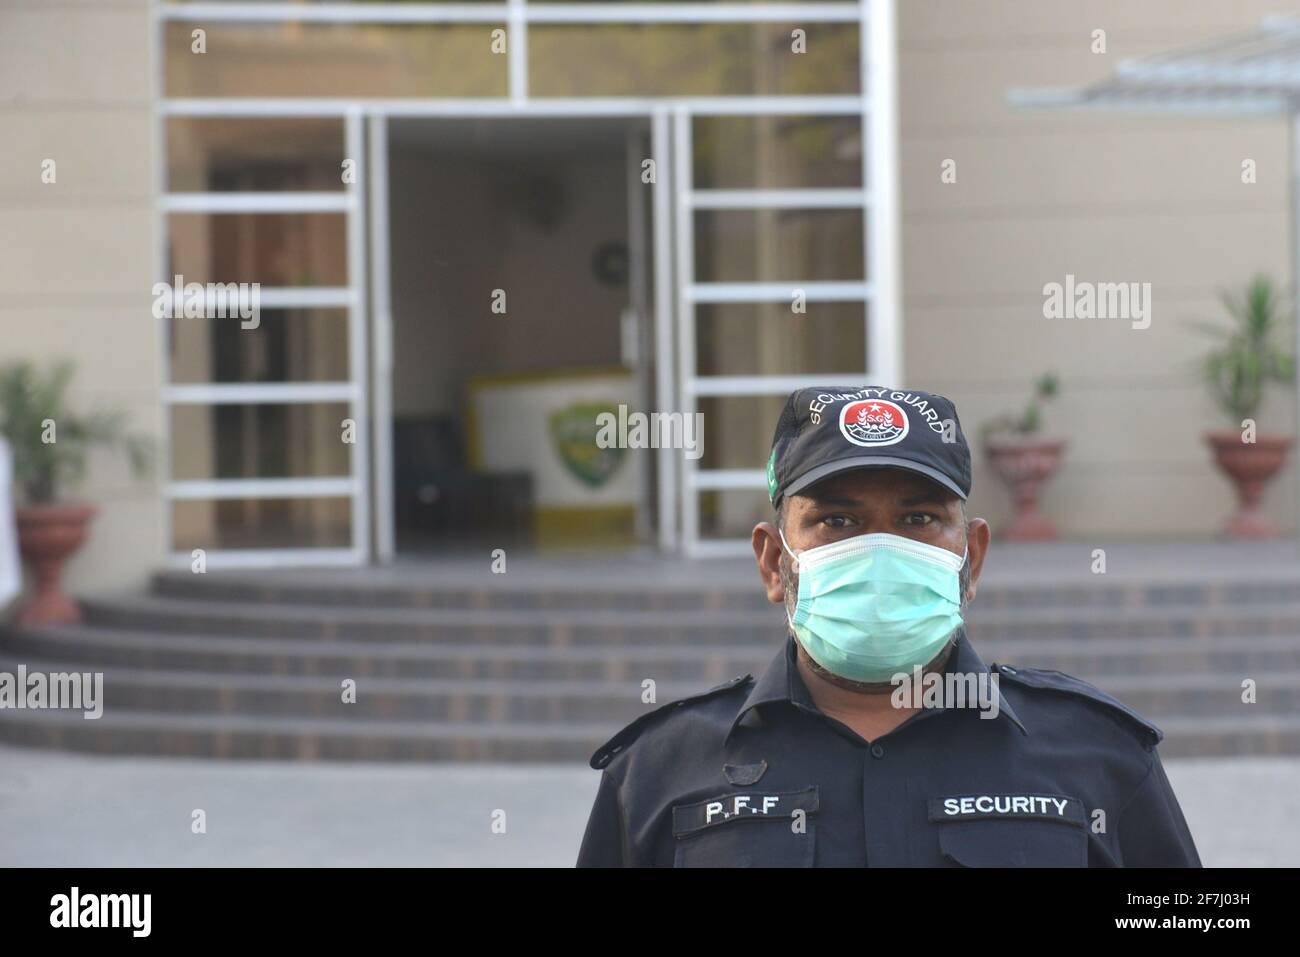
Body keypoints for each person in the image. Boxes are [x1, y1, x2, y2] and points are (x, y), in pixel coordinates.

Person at [576, 386, 1201, 867]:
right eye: (839, 522)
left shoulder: (1099, 755)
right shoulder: (658, 774)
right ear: (774, 561)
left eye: (919, 518)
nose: (880, 550)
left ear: (971, 558)